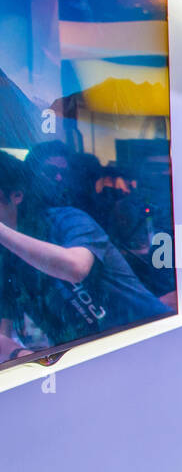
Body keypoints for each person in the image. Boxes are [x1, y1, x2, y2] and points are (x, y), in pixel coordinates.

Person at [0, 150, 170, 360]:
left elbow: (76, 268)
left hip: (155, 339)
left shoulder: (68, 220)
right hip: (89, 362)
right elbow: (3, 328)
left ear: (17, 195)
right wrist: (21, 354)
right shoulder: (6, 256)